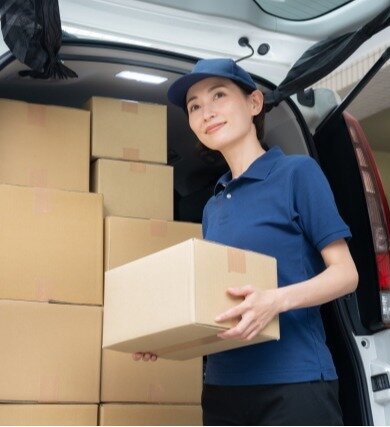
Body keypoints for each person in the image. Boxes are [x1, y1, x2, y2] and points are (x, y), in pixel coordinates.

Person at [132, 58, 359, 426]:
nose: (206, 112)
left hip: (293, 381)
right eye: (194, 106)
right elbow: (216, 302)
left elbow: (346, 274)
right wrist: (164, 336)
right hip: (223, 388)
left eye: (218, 95)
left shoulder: (296, 174)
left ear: (254, 103)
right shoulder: (214, 205)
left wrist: (275, 301)